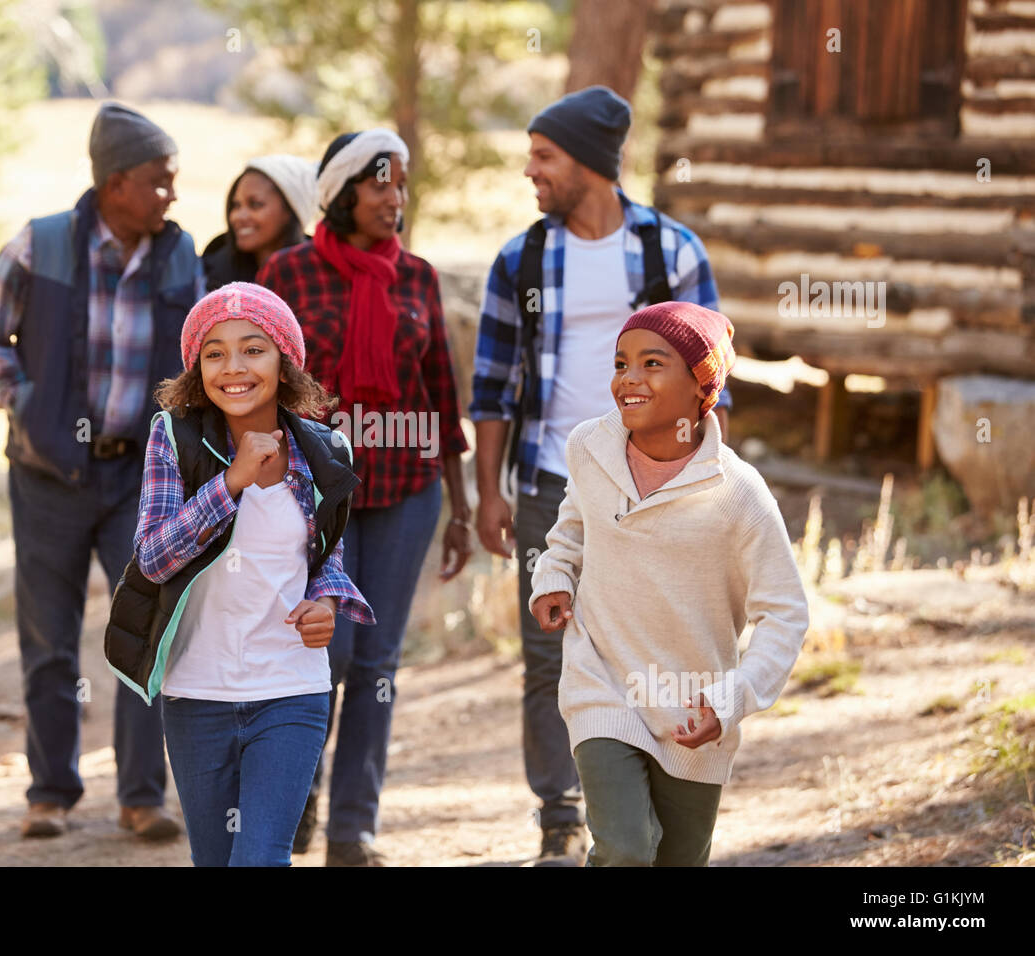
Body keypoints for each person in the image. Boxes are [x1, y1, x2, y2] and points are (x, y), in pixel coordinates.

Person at [469, 85, 732, 865]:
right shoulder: (521, 259)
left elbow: (718, 378)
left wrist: (710, 485)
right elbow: (489, 388)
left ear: (588, 162)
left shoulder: (671, 253)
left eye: (544, 156)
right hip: (554, 480)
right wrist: (489, 491)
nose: (530, 171)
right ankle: (560, 812)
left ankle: (639, 799)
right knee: (549, 652)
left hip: (658, 483)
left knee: (657, 643)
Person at [0, 102, 203, 840]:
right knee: (50, 639)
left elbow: (197, 353)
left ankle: (140, 797)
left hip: (140, 478)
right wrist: (26, 407)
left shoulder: (177, 254)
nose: (171, 195)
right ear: (116, 184)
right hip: (46, 476)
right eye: (160, 182)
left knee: (145, 629)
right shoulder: (40, 247)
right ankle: (51, 794)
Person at [528, 301, 808, 866]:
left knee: (678, 858)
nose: (628, 379)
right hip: (602, 682)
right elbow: (571, 531)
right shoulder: (589, 448)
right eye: (620, 363)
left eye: (652, 364)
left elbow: (785, 614)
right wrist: (554, 576)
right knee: (625, 850)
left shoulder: (738, 494)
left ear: (700, 386)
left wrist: (729, 701)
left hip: (693, 709)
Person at [257, 128, 472, 866]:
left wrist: (463, 507)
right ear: (342, 192)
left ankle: (355, 829)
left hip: (408, 490)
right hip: (316, 498)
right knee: (326, 653)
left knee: (379, 663)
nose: (395, 197)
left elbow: (440, 394)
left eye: (402, 184)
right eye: (381, 182)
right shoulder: (288, 272)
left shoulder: (417, 277)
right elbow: (260, 382)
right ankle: (297, 799)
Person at [121, 282, 374, 866]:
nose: (234, 367)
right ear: (196, 368)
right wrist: (230, 482)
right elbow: (153, 557)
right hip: (195, 692)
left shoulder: (325, 449)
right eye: (215, 353)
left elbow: (326, 557)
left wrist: (327, 605)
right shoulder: (173, 438)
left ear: (284, 362)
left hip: (291, 689)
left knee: (259, 861)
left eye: (253, 349)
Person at [201, 155, 317, 291]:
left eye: (255, 204)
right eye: (236, 205)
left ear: (291, 211)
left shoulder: (320, 277)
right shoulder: (210, 273)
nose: (238, 216)